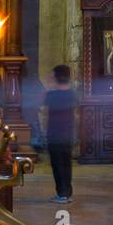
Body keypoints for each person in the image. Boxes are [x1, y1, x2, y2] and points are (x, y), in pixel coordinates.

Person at [43, 64, 76, 203]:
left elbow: (45, 113)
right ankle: (67, 192)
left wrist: (50, 85)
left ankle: (61, 194)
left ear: (56, 77)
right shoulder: (72, 94)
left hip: (54, 134)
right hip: (68, 133)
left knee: (57, 164)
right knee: (67, 163)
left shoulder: (52, 94)